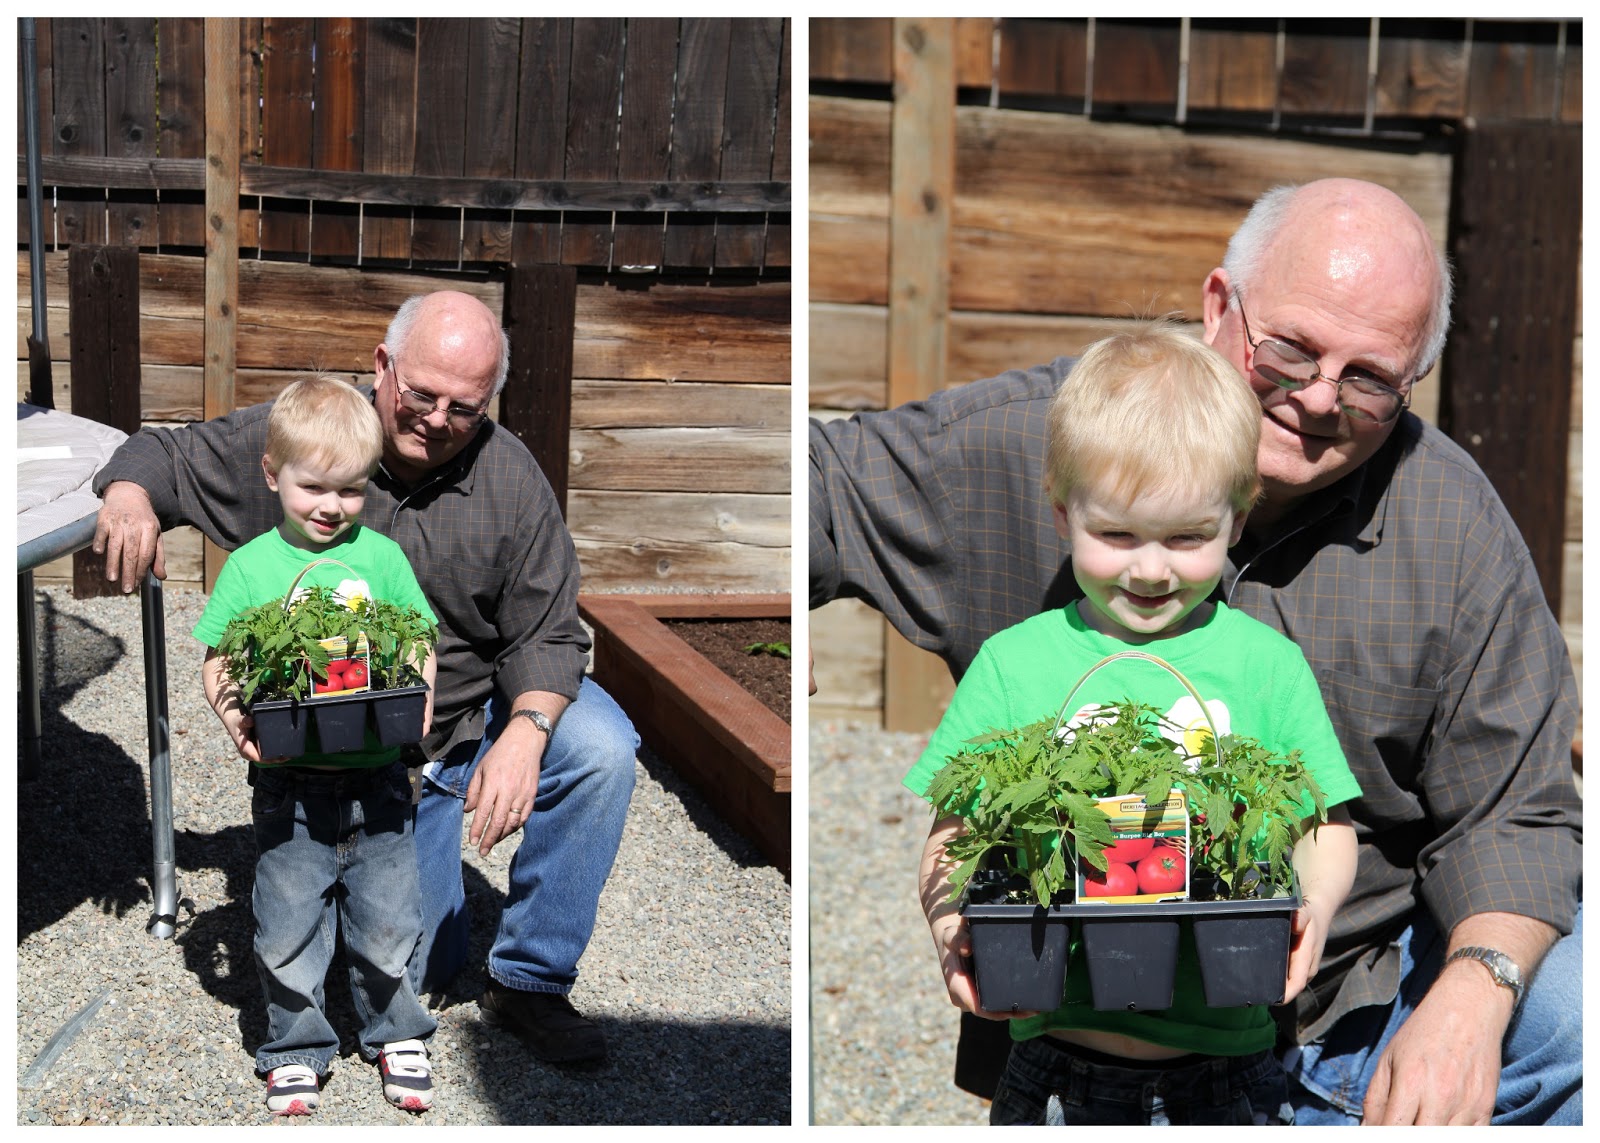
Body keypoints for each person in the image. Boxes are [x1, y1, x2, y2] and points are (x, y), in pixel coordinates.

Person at [811, 179, 1581, 1125]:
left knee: (1572, 1005)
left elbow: (1522, 810)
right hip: (1071, 1018)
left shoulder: (1450, 522)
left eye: (1371, 377)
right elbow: (816, 486)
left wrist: (1472, 995)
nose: (1319, 398)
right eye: (1292, 349)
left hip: (1351, 998)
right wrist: (783, 606)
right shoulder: (1058, 443)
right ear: (1222, 307)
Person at [93, 290, 639, 1067]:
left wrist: (528, 729)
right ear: (383, 365)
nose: (438, 418)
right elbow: (167, 454)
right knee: (427, 968)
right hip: (344, 752)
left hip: (462, 723)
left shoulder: (510, 476)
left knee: (604, 745)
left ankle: (531, 979)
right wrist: (128, 494)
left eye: (465, 405)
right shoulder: (317, 441)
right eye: (421, 393)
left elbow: (549, 629)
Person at [907, 326, 1362, 1125]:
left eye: (1188, 538)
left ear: (1238, 515)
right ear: (1062, 511)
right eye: (1116, 533)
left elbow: (1324, 823)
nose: (1150, 568)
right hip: (1056, 1063)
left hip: (1230, 1062)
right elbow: (955, 831)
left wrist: (1315, 906)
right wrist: (952, 921)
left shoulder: (1268, 667)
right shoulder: (1018, 664)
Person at [192, 375, 441, 1114]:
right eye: (313, 487)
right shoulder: (250, 566)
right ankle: (296, 1043)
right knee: (287, 920)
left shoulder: (383, 559)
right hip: (291, 781)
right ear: (273, 475)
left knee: (391, 916)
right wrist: (234, 714)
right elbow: (219, 655)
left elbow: (419, 636)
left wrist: (419, 694)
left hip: (381, 778)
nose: (332, 506)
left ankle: (395, 1028)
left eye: (352, 490)